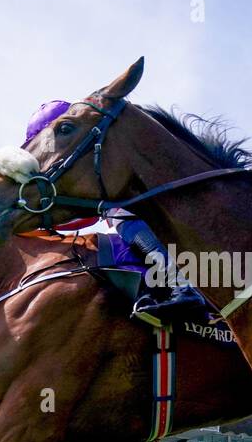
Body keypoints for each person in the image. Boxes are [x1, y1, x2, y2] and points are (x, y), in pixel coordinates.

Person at [19, 100, 208, 322]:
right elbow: (86, 217)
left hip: (148, 213)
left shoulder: (104, 151)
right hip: (138, 214)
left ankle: (185, 290)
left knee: (127, 225)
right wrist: (44, 223)